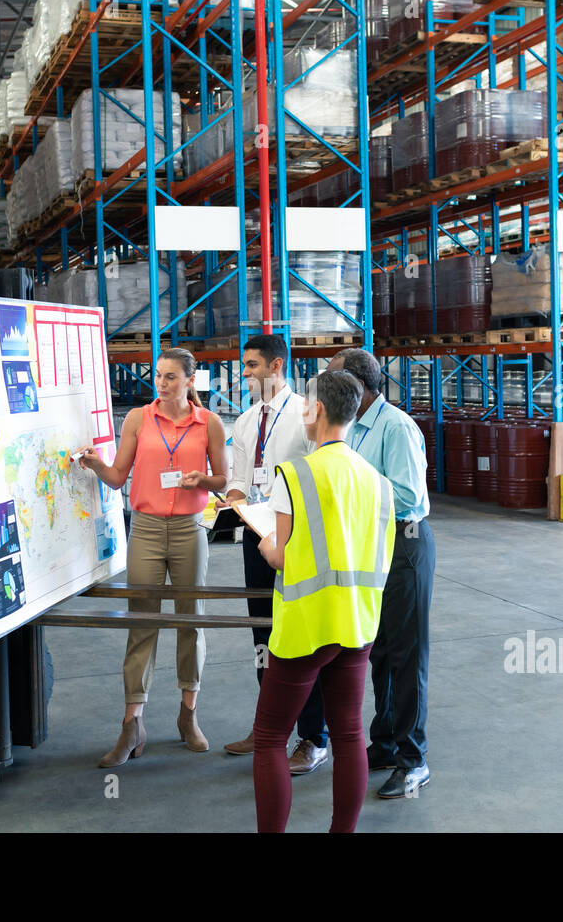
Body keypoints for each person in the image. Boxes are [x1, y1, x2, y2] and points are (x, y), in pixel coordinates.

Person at [254, 370, 395, 832]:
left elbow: (280, 555)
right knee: (350, 732)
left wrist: (267, 545)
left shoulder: (294, 474)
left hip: (305, 628)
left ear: (316, 410)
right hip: (357, 625)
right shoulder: (378, 482)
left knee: (272, 739)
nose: (300, 410)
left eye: (304, 404)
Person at [78, 347, 228, 767]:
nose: (161, 384)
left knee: (190, 622)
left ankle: (188, 715)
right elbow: (117, 477)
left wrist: (204, 478)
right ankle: (132, 724)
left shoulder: (209, 423)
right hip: (143, 528)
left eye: (170, 377)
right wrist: (94, 464)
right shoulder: (138, 419)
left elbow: (223, 479)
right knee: (141, 621)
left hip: (189, 529)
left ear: (189, 381)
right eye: (159, 376)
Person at [326, 348, 435, 799]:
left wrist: (352, 489)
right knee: (381, 651)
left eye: (332, 383)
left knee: (408, 654)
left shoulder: (396, 427)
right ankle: (386, 742)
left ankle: (414, 760)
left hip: (404, 544)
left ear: (355, 387)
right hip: (371, 545)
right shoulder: (354, 428)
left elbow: (407, 494)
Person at [221, 333, 329, 775]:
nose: (244, 374)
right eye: (245, 366)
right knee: (262, 634)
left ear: (276, 366)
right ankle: (270, 729)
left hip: (296, 538)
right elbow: (241, 480)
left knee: (300, 636)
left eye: (251, 366)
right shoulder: (246, 421)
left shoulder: (307, 414)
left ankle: (314, 737)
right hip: (256, 537)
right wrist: (229, 502)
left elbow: (319, 474)